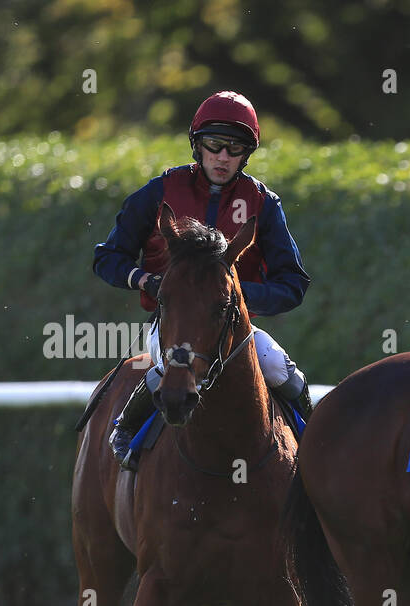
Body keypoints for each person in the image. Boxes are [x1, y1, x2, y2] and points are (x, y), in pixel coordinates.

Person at [93, 90, 312, 470]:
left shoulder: (263, 202)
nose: (223, 157)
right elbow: (107, 257)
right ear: (197, 145)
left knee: (277, 367)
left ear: (247, 154)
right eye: (214, 145)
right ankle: (125, 432)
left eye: (235, 148)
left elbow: (293, 283)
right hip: (172, 321)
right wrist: (145, 280)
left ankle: (312, 447)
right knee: (168, 366)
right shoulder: (159, 191)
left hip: (233, 328)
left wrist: (232, 297)